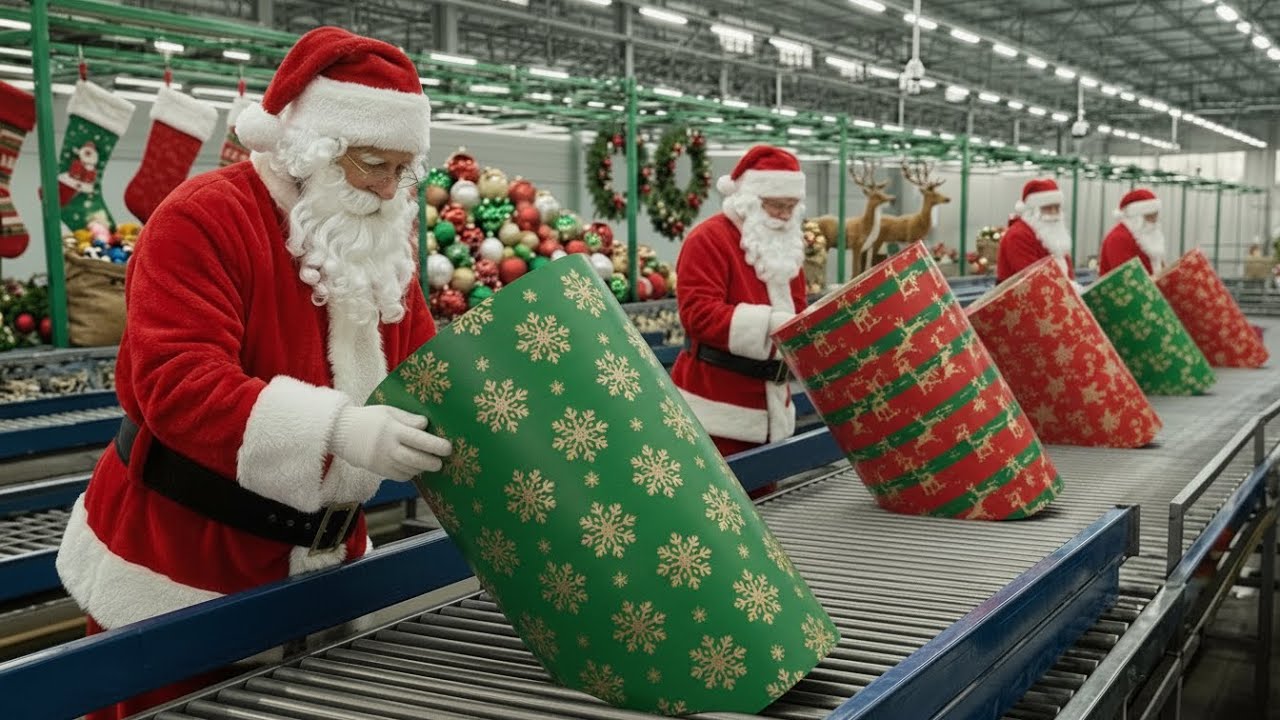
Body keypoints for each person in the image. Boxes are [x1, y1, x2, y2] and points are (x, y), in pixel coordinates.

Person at [55, 27, 453, 718]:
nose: (392, 189)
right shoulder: (202, 219)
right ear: (314, 150)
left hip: (324, 568)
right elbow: (176, 384)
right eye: (372, 164)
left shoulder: (383, 239)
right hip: (180, 566)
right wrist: (343, 431)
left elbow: (426, 376)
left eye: (403, 169)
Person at [671, 145, 808, 498]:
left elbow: (799, 309)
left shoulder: (788, 245)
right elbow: (698, 314)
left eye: (790, 207)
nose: (782, 215)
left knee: (768, 509)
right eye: (774, 205)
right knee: (716, 508)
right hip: (716, 405)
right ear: (748, 197)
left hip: (773, 406)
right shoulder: (708, 239)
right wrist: (774, 325)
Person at [996, 178, 1074, 283]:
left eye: (1057, 207)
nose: (1054, 213)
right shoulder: (1018, 236)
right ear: (1032, 210)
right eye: (1047, 208)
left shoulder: (1056, 238)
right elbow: (1034, 278)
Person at [1099, 188, 1165, 275]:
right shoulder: (1118, 238)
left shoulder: (1148, 237)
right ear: (1136, 217)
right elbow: (1126, 277)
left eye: (1156, 215)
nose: (1155, 221)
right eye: (1150, 217)